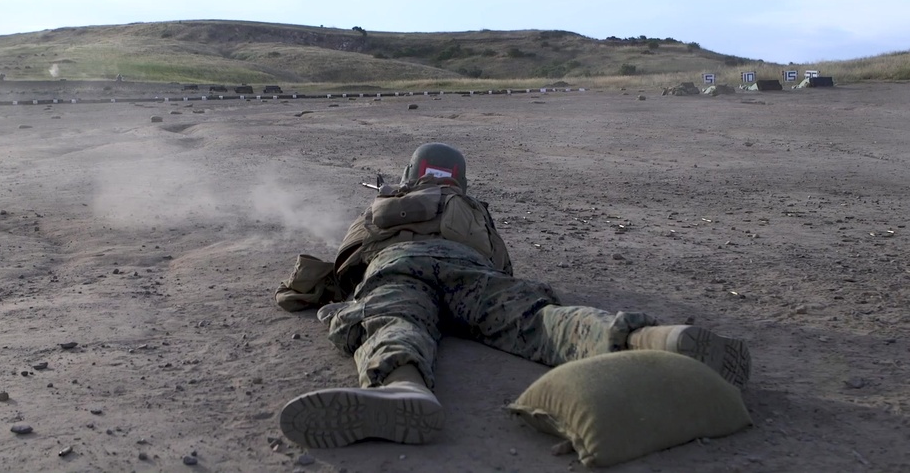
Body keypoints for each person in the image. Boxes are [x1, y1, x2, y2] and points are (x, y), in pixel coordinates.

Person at [275, 143, 751, 449]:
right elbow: (501, 264)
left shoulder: (382, 205)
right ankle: (653, 339)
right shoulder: (470, 207)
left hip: (399, 266)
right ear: (457, 178)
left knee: (391, 318)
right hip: (469, 270)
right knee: (536, 318)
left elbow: (346, 260)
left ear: (411, 172)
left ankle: (403, 385)